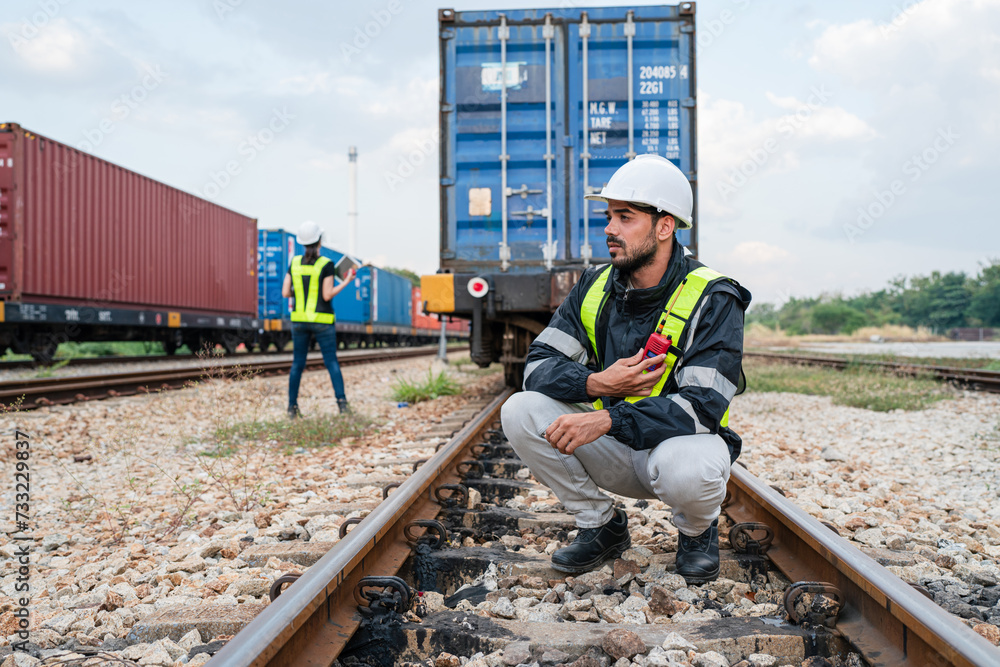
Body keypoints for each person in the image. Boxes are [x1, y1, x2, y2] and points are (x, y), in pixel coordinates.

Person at [500, 155, 751, 583]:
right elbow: (537, 367)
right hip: (616, 448)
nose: (609, 229)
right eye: (609, 215)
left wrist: (608, 416)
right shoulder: (595, 285)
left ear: (665, 226)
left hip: (677, 448)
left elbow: (702, 408)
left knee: (692, 469)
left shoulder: (714, 297)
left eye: (625, 217)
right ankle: (601, 525)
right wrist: (595, 381)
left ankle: (696, 531)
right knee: (520, 409)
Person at [282, 221, 356, 418]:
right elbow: (327, 294)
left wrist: (299, 290)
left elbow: (284, 292)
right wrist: (347, 281)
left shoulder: (295, 263)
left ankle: (292, 407)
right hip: (322, 321)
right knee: (331, 362)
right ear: (319, 241)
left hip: (298, 321)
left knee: (297, 364)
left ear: (303, 243)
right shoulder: (326, 264)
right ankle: (342, 404)